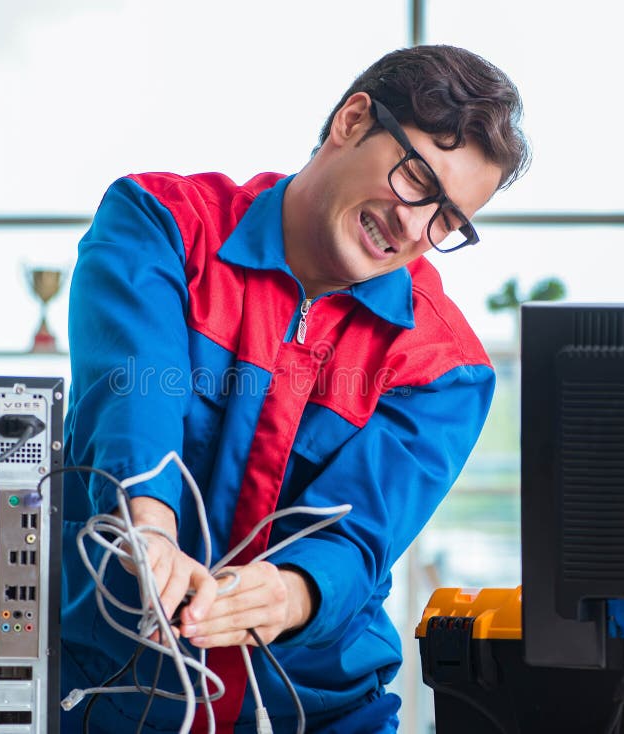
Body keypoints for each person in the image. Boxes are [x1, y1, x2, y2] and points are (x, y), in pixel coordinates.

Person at [60, 44, 529, 734]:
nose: (412, 228)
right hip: (108, 694)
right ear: (353, 119)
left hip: (314, 710)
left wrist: (290, 594)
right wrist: (150, 534)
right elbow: (132, 411)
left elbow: (360, 534)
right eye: (415, 180)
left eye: (446, 221)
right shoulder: (162, 224)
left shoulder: (445, 366)